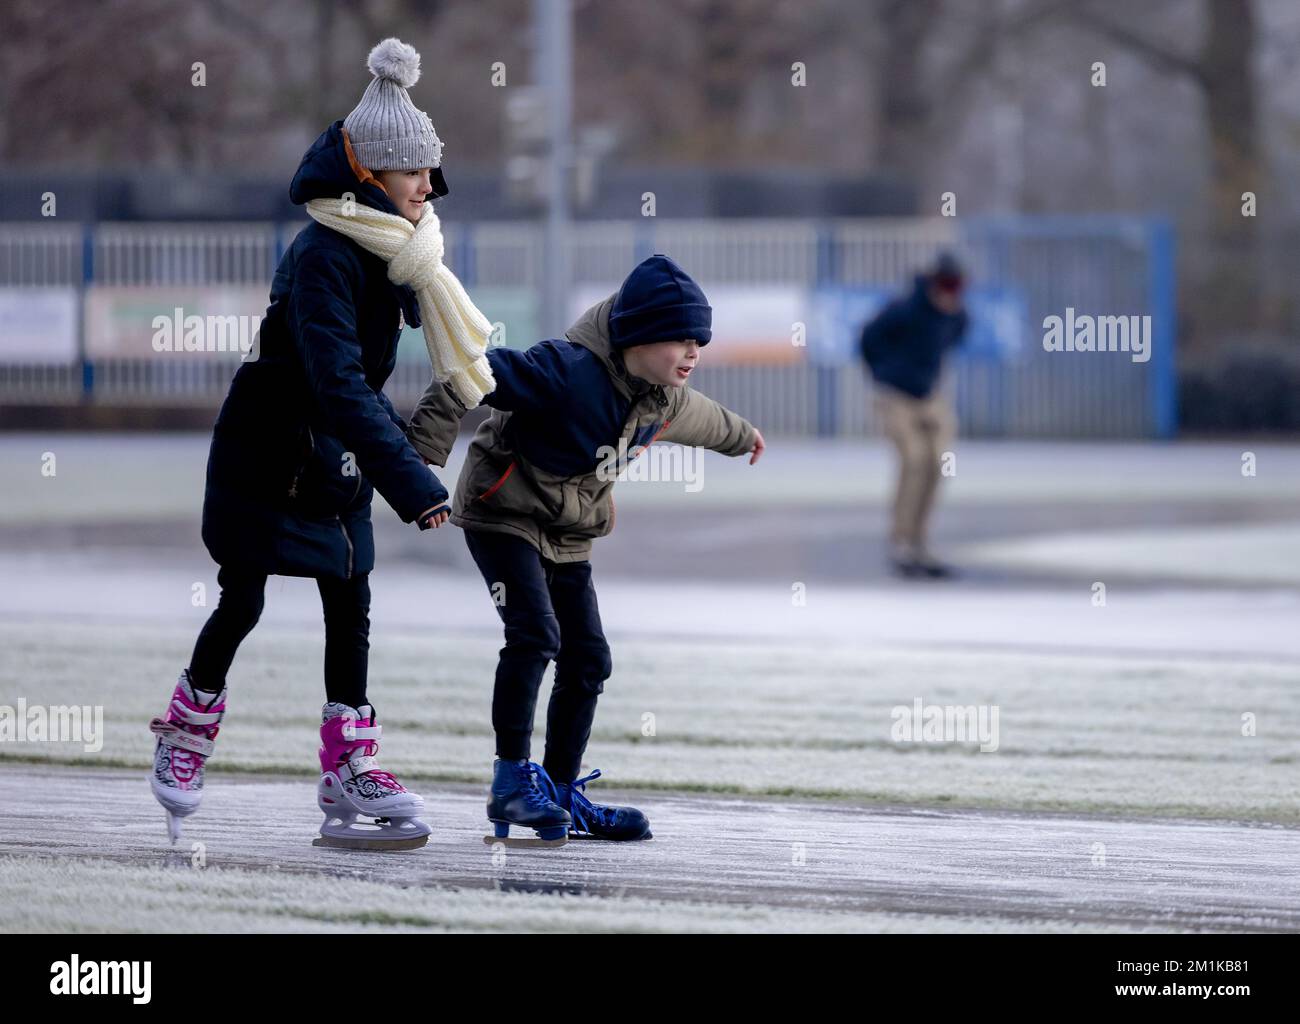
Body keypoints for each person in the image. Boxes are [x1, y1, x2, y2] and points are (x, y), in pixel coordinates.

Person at [148, 38, 493, 851]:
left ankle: (347, 767)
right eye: (416, 174)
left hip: (338, 451)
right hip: (270, 449)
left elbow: (385, 385)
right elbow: (339, 381)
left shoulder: (402, 255)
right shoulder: (325, 258)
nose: (429, 187)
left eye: (431, 173)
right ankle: (186, 733)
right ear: (370, 175)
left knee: (352, 597)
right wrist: (411, 480)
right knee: (243, 597)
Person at [408, 255, 765, 845]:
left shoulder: (662, 396)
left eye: (698, 339)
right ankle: (510, 782)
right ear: (637, 335)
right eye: (680, 337)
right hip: (504, 514)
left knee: (589, 658)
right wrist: (420, 458)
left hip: (569, 531)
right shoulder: (565, 370)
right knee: (534, 635)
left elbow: (703, 419)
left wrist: (742, 435)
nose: (693, 351)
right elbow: (467, 373)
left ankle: (560, 790)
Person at [860, 252, 968, 578]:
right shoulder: (905, 309)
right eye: (946, 285)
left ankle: (921, 542)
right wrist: (885, 373)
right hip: (895, 396)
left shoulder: (956, 316)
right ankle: (901, 543)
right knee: (914, 459)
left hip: (929, 397)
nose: (950, 293)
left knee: (938, 463)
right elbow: (868, 339)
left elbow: (950, 343)